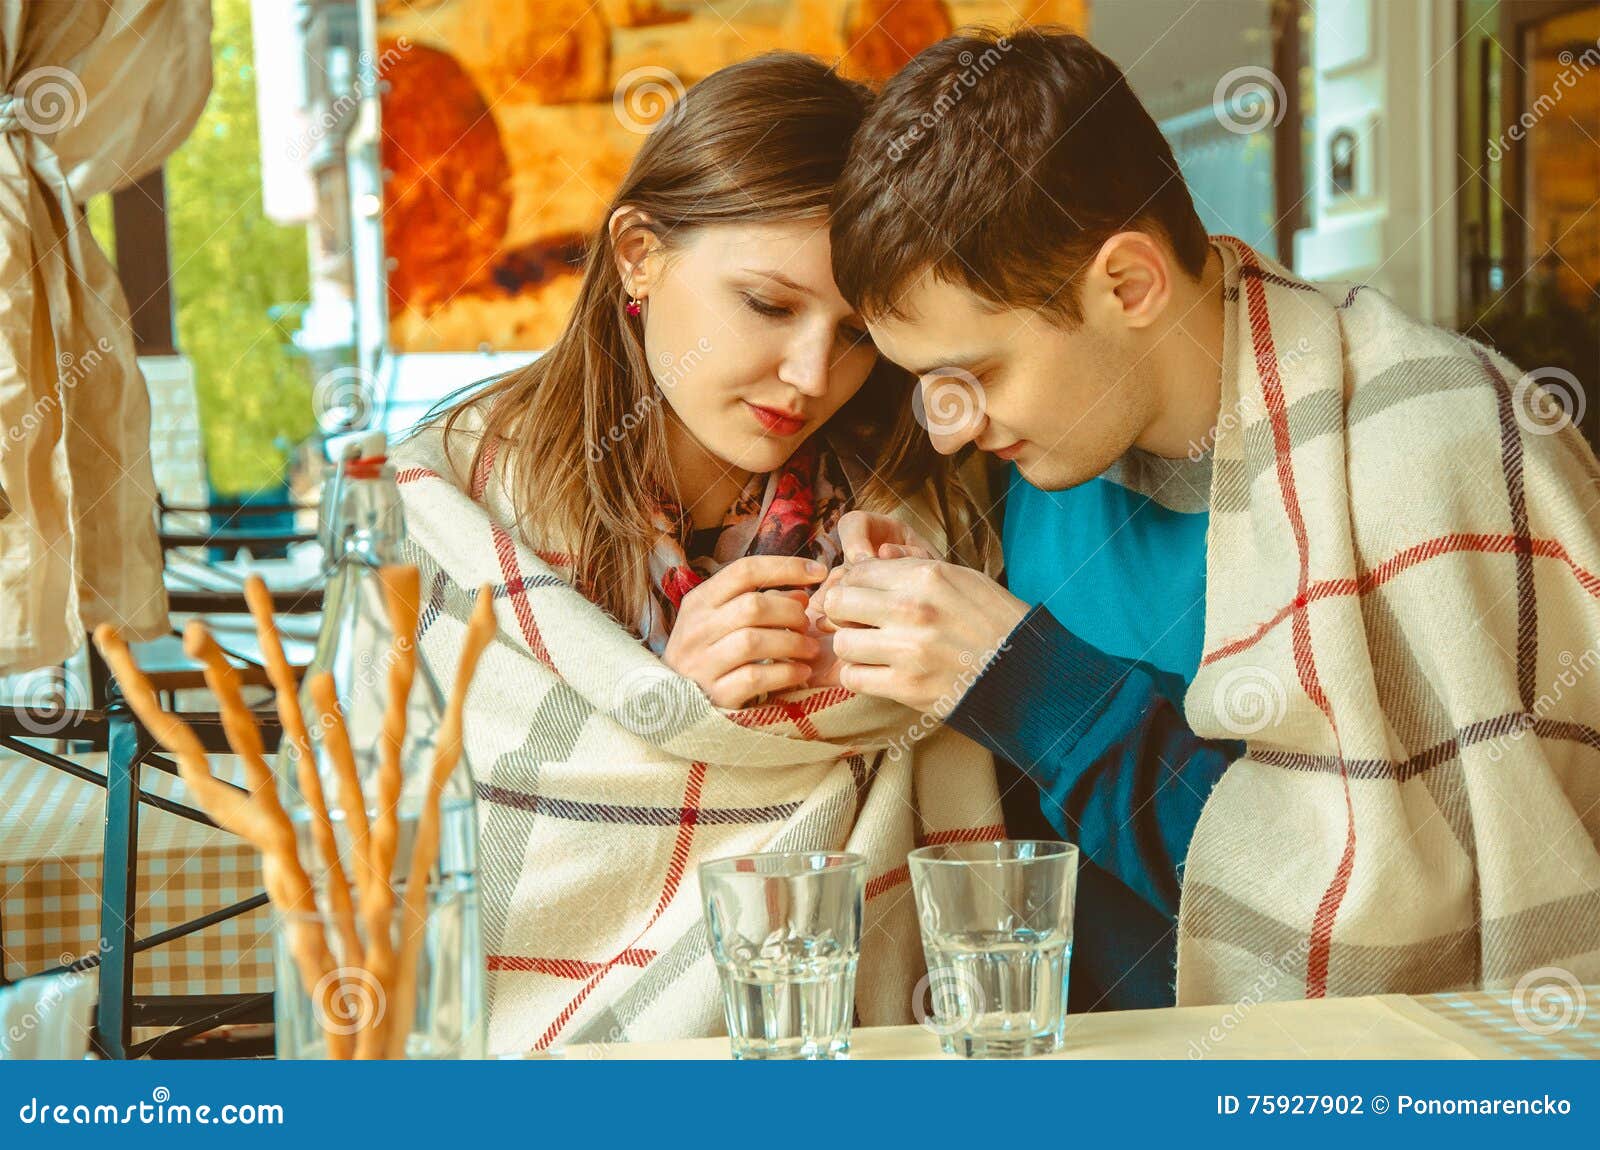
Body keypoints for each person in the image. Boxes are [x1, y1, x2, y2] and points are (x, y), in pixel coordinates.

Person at [821, 26, 1600, 1011]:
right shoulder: (1009, 482)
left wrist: (1033, 686)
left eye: (976, 374)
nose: (946, 433)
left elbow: (1394, 940)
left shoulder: (1429, 447)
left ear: (1127, 284)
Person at [390, 52, 1004, 1054]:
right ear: (638, 252)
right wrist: (667, 709)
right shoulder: (445, 502)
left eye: (855, 334)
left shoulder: (923, 507)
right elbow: (399, 849)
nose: (810, 375)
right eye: (767, 303)